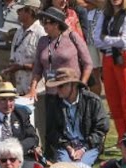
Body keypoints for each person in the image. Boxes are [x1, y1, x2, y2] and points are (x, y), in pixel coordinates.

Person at [27, 7, 93, 147]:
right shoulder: (43, 41)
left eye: (47, 22)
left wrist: (82, 85)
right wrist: (32, 88)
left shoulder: (72, 37)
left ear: (56, 24)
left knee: (71, 127)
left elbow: (88, 64)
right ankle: (51, 157)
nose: (44, 25)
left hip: (71, 92)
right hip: (51, 92)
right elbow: (38, 68)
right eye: (43, 21)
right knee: (51, 129)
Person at [93, 0, 126, 137]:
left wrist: (105, 39)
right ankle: (122, 138)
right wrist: (112, 40)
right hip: (108, 58)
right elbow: (96, 39)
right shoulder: (104, 15)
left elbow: (124, 40)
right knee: (113, 102)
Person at [6, 0, 44, 93]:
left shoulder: (41, 33)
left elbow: (44, 65)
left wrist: (21, 67)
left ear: (30, 12)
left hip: (36, 92)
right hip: (19, 89)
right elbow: (13, 58)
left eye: (20, 10)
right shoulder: (18, 32)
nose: (17, 12)